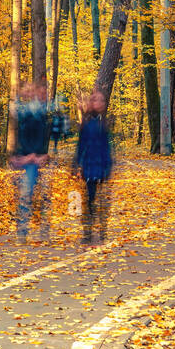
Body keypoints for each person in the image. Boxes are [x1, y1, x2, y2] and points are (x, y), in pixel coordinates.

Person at [9, 81, 52, 243]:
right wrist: (18, 156)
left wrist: (38, 155)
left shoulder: (39, 113)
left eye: (30, 90)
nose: (28, 93)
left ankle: (33, 230)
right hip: (25, 159)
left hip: (35, 159)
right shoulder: (22, 111)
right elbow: (21, 137)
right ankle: (24, 230)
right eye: (25, 90)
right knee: (26, 194)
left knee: (36, 194)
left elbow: (41, 136)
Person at [73, 90, 113, 245]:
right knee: (89, 199)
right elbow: (80, 146)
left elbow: (107, 148)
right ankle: (87, 231)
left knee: (102, 200)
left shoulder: (104, 124)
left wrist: (109, 166)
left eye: (102, 100)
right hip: (89, 166)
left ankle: (102, 231)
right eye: (96, 100)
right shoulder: (86, 123)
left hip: (102, 166)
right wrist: (76, 165)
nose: (99, 103)